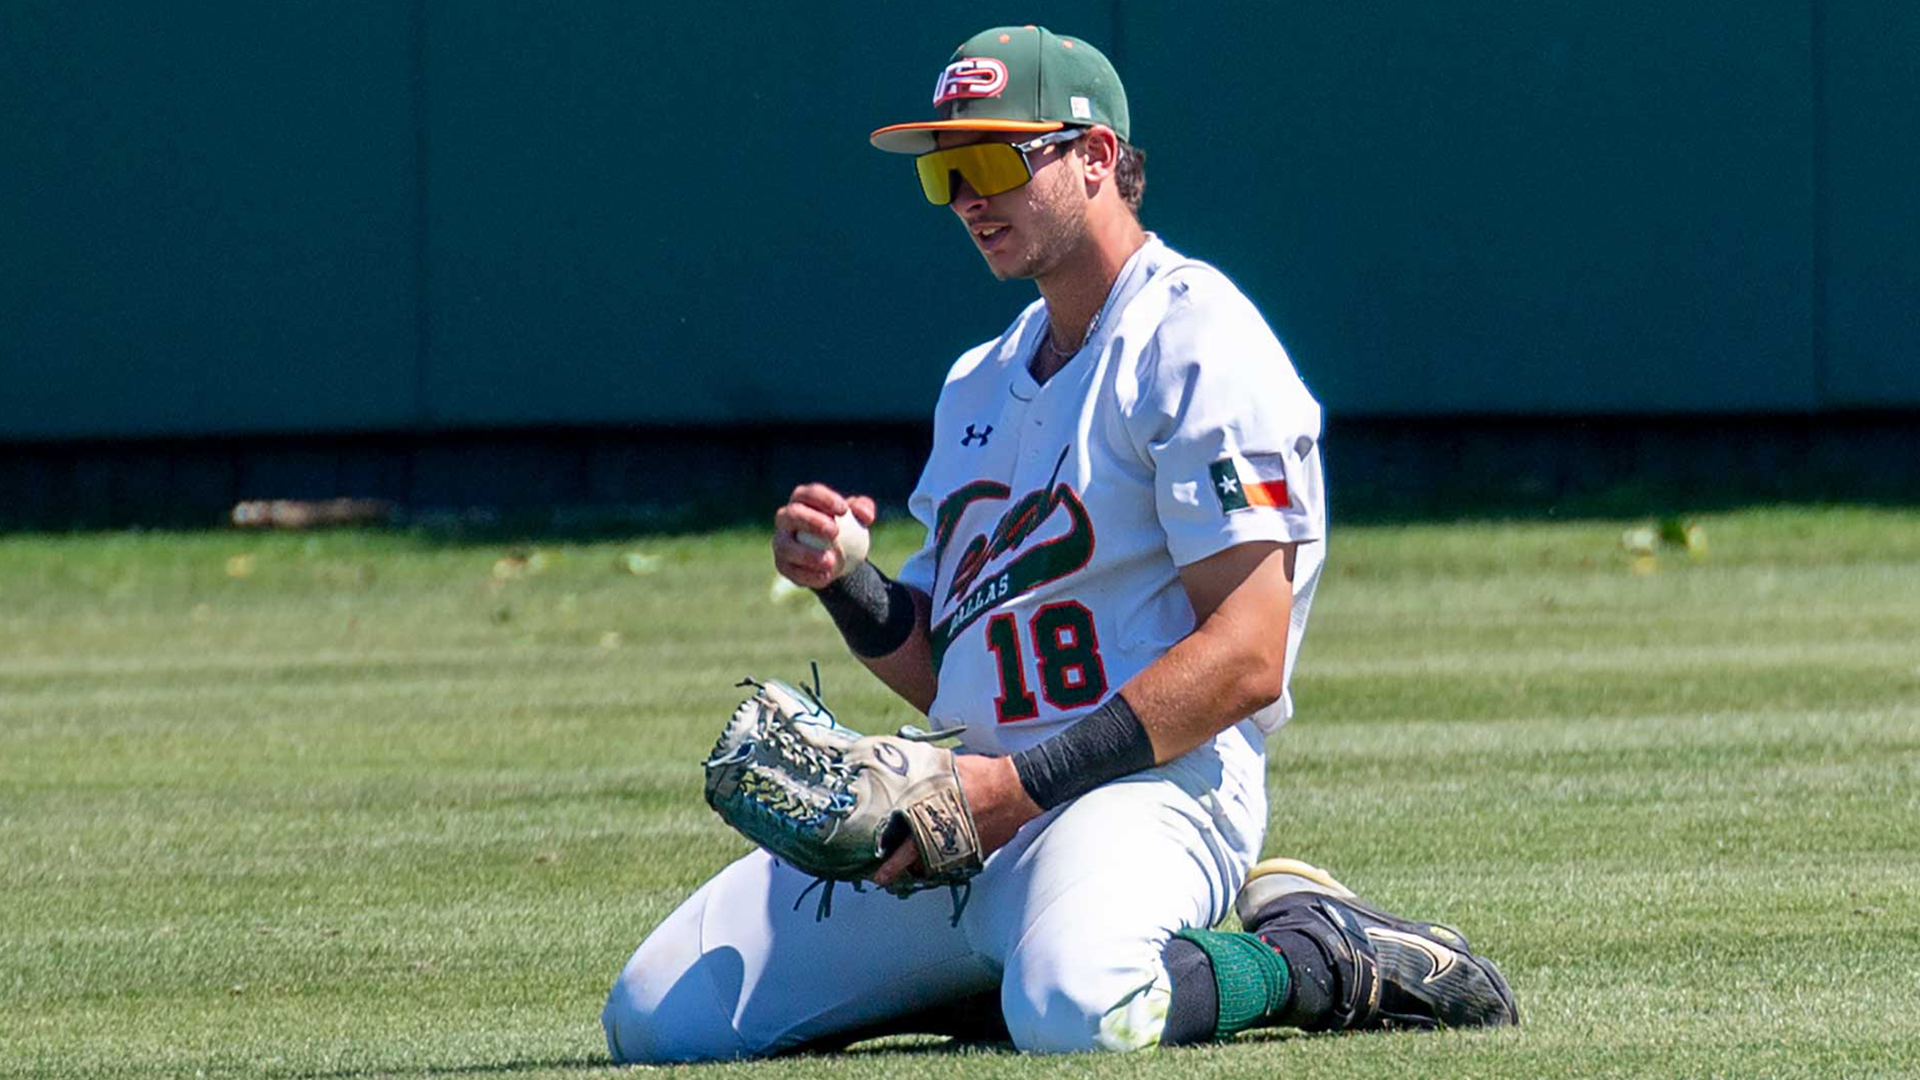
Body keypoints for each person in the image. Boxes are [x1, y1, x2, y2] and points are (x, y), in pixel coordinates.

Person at [601, 26, 1516, 1061]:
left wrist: (1019, 788)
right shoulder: (977, 382)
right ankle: (990, 980)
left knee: (1085, 1009)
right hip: (972, 806)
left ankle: (1312, 950)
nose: (965, 196)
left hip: (1150, 797)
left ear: (1095, 156)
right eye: (946, 171)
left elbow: (1251, 654)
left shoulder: (1194, 339)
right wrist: (849, 582)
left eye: (992, 159)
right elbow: (954, 670)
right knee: (658, 1020)